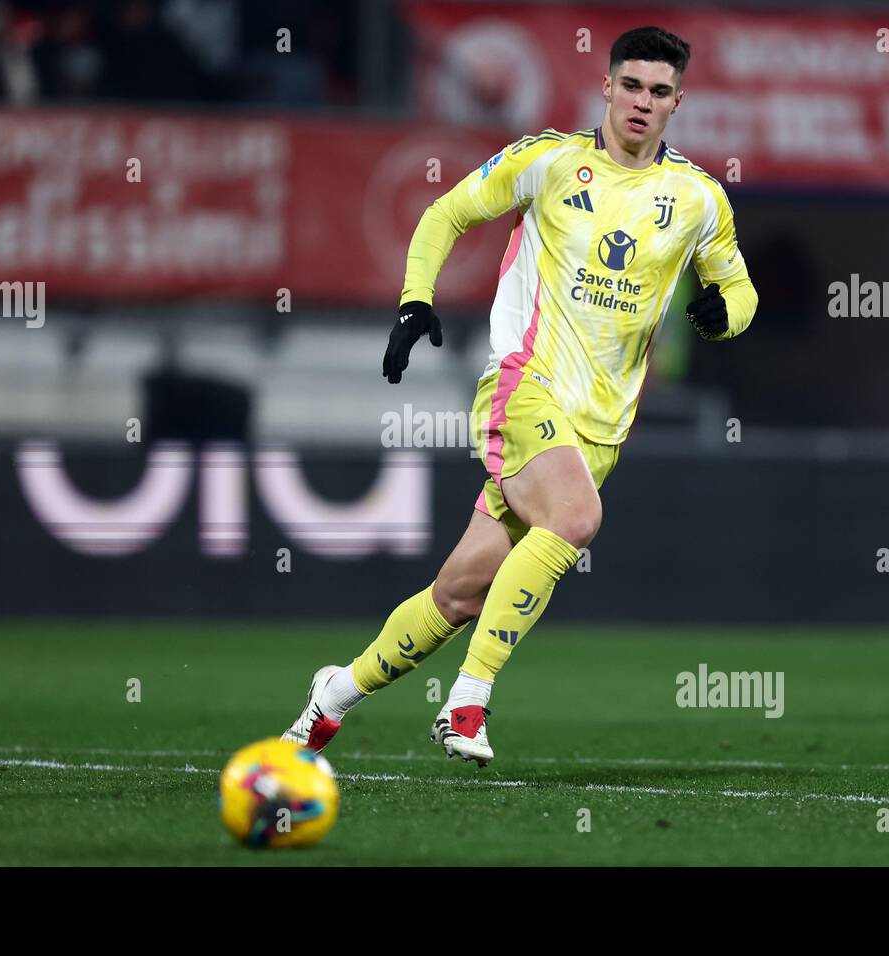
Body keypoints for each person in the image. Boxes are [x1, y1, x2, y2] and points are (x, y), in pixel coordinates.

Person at [283, 26, 758, 765]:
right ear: (606, 87)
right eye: (630, 85)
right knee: (575, 518)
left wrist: (727, 314)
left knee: (458, 595)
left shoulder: (696, 199)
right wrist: (415, 300)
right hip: (523, 385)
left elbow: (739, 287)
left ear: (677, 101)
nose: (642, 102)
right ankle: (466, 703)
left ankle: (330, 699)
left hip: (600, 428)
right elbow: (447, 214)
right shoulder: (550, 161)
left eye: (659, 91)